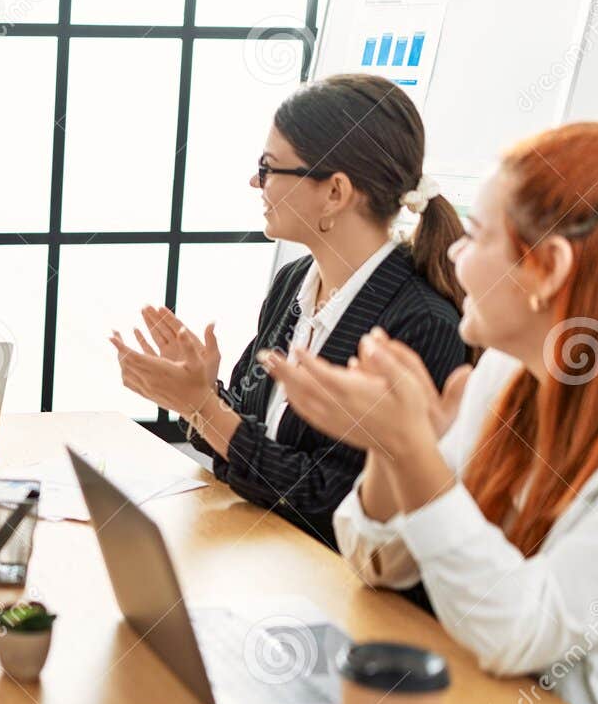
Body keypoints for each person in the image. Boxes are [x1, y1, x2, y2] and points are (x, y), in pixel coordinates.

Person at [263, 121, 598, 704]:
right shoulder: (503, 375)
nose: (456, 252)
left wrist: (413, 452)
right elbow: (377, 562)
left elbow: (519, 633)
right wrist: (390, 447)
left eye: (479, 234)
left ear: (548, 268)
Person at [110, 74, 468, 549]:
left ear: (335, 193)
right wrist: (196, 397)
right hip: (262, 553)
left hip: (337, 589)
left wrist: (206, 411)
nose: (256, 181)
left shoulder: (418, 322)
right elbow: (242, 445)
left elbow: (334, 503)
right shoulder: (294, 282)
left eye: (270, 167)